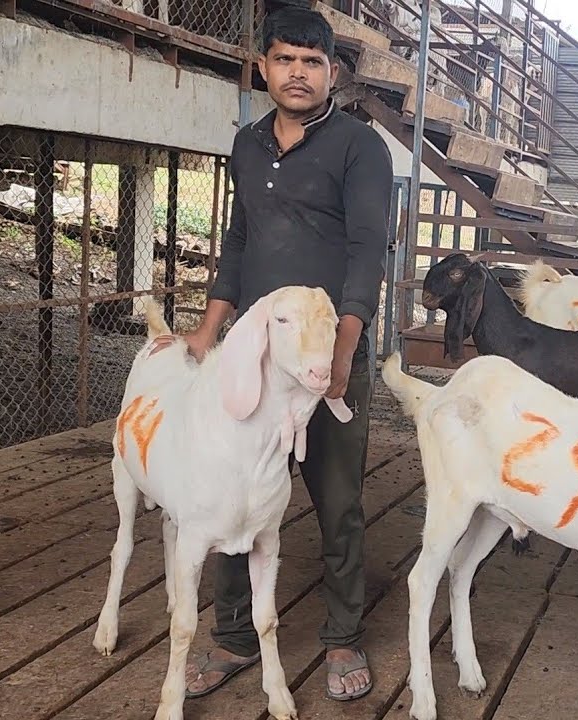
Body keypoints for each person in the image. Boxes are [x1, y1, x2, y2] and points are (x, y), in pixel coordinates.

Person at [149, 5, 393, 702]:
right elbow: (238, 241)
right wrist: (207, 330)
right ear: (263, 67)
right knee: (228, 491)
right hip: (254, 353)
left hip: (324, 352)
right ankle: (231, 637)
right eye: (284, 59)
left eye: (312, 63)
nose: (297, 73)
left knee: (337, 496)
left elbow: (365, 251)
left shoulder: (358, 147)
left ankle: (343, 634)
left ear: (332, 73)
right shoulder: (248, 144)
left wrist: (344, 350)